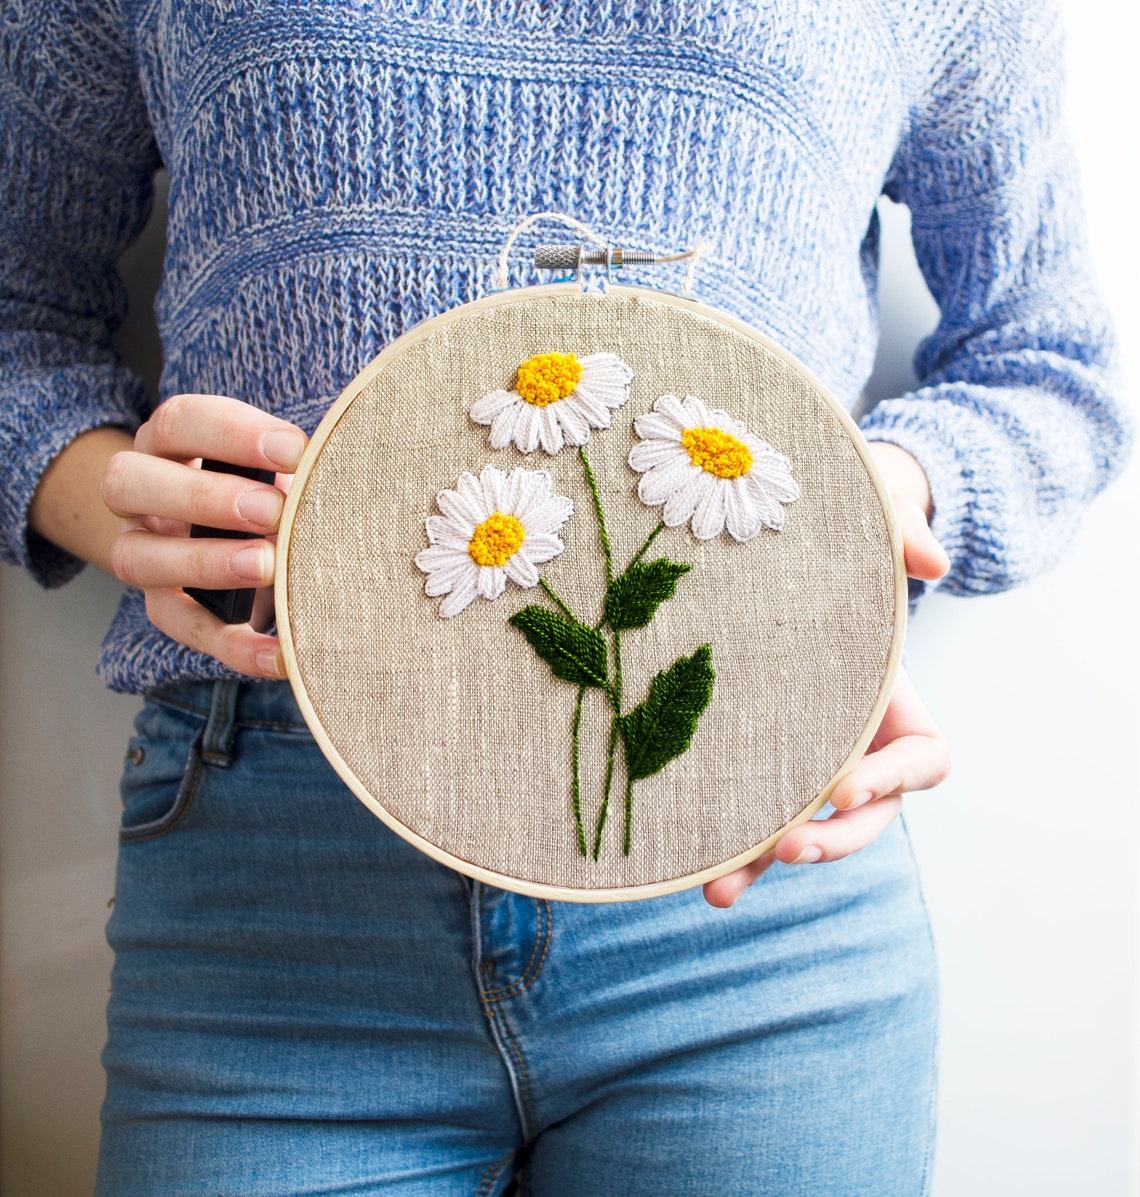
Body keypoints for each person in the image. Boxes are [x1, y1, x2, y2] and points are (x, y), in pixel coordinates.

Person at [0, 0, 1129, 1193]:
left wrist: (864, 502)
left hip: (754, 889)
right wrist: (103, 497)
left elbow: (1048, 369)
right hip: (279, 900)